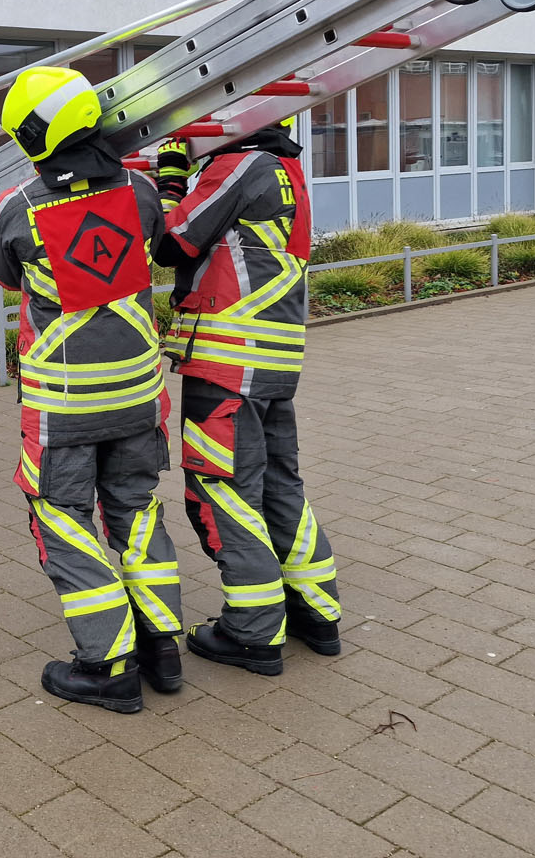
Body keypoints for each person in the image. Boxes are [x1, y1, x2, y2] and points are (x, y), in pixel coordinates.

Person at [0, 67, 183, 714]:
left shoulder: (18, 208)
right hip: (138, 395)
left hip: (65, 405)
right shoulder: (142, 190)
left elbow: (7, 277)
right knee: (137, 510)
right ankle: (162, 647)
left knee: (62, 518)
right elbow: (158, 238)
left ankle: (109, 664)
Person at [153, 121, 341, 677]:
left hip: (226, 362)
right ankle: (317, 613)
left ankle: (253, 632)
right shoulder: (287, 170)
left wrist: (170, 181)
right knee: (281, 485)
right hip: (274, 362)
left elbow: (171, 243)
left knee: (224, 493)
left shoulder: (238, 164)